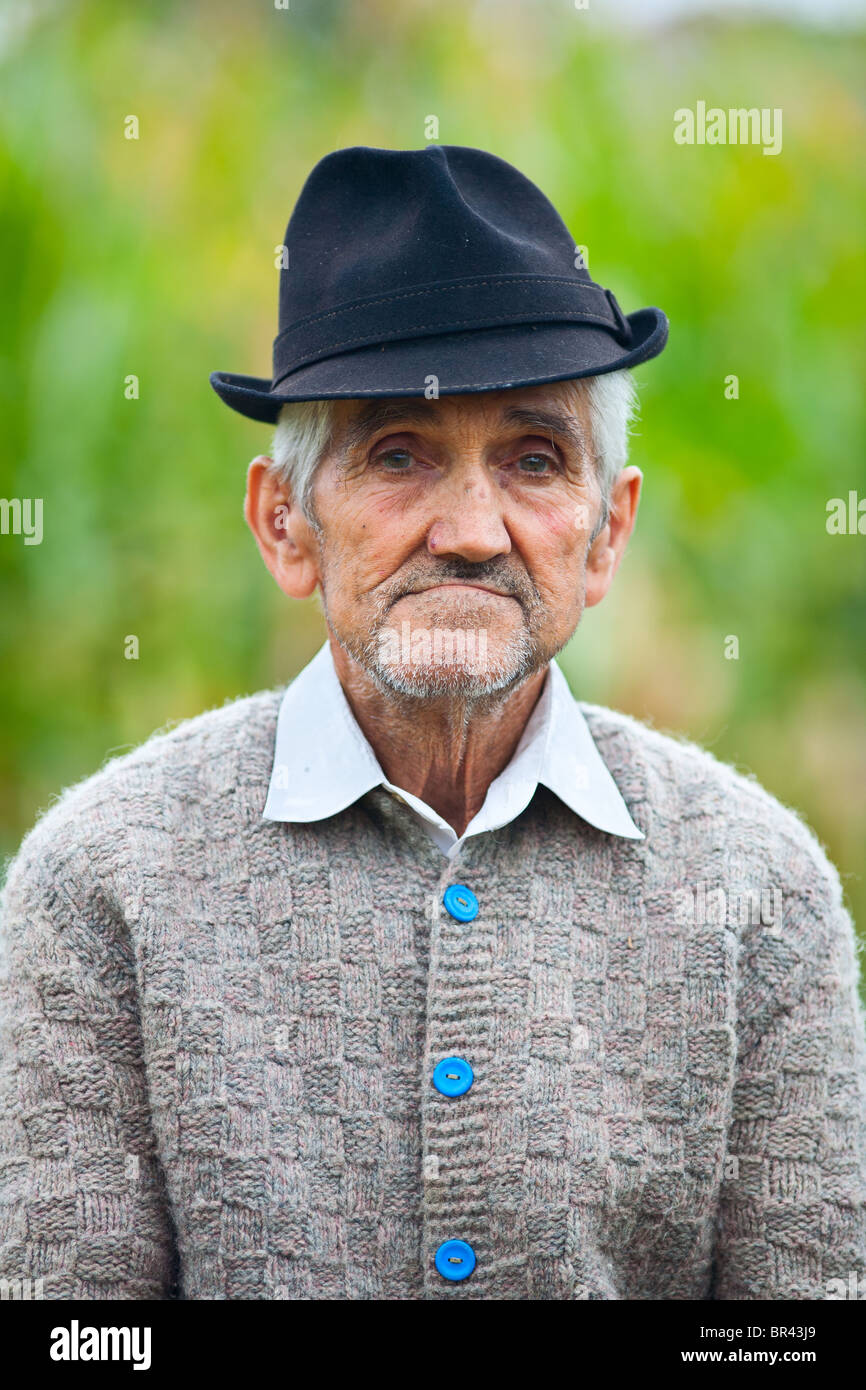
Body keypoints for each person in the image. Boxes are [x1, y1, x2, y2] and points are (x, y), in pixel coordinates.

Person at [1, 144, 863, 1301]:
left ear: (604, 531)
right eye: (398, 455)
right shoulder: (102, 881)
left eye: (532, 459)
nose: (470, 528)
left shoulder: (759, 889)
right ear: (284, 524)